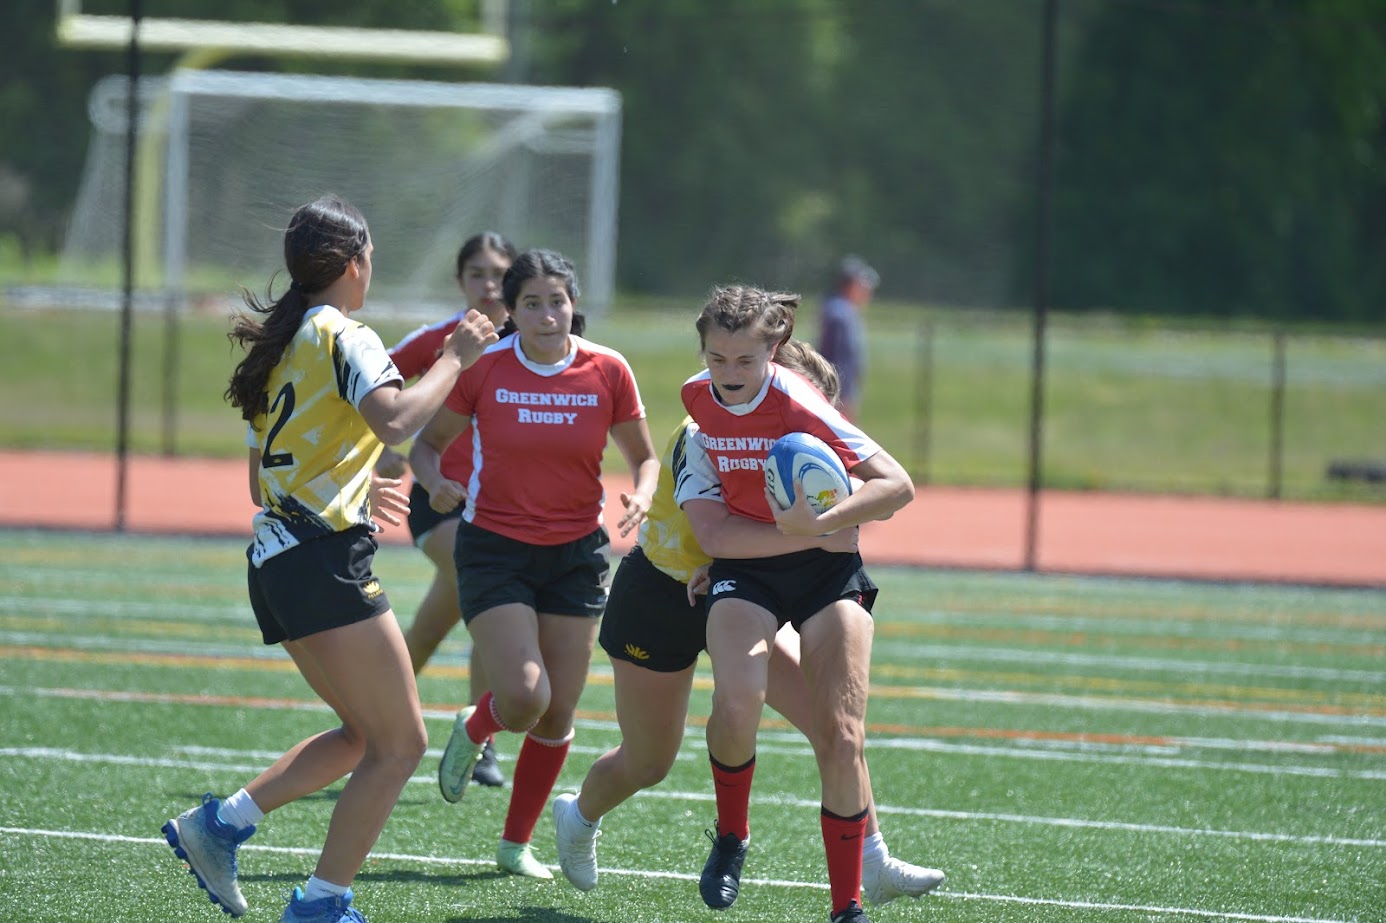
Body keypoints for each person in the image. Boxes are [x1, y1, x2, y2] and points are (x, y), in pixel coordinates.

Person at [161, 194, 497, 923]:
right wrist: (454, 357)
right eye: (369, 256)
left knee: (362, 736)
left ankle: (219, 826)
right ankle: (322, 904)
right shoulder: (345, 333)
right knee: (400, 744)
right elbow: (398, 420)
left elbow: (261, 481)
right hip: (321, 559)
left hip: (276, 560)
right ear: (353, 263)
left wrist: (349, 481)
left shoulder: (279, 343)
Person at [551, 338, 944, 907]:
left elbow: (832, 510)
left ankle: (873, 860)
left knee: (832, 726)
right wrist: (811, 537)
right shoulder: (703, 432)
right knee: (648, 760)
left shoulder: (804, 437)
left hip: (740, 587)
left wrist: (823, 523)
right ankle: (579, 816)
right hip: (663, 592)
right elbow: (717, 531)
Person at [409, 248, 660, 878]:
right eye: (532, 304)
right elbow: (427, 446)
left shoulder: (608, 369)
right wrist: (435, 482)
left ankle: (514, 844)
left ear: (573, 305)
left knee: (558, 711)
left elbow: (646, 458)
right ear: (511, 311)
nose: (547, 315)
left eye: (557, 302)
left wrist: (644, 494)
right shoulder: (486, 367)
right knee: (524, 698)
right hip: (495, 550)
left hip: (577, 555)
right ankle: (477, 726)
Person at [682, 285, 915, 923]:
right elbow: (714, 531)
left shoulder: (799, 402)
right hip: (745, 572)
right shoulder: (695, 398)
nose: (729, 374)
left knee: (842, 734)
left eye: (745, 360)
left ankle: (847, 907)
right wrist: (798, 532)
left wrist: (824, 523)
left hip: (826, 572)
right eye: (716, 358)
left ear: (774, 350)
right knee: (736, 702)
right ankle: (732, 837)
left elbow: (897, 485)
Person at [376, 230, 519, 788]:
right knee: (484, 583)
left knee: (439, 622)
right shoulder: (438, 341)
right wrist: (381, 450)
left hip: (503, 511)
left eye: (499, 274)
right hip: (439, 502)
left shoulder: (530, 345)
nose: (489, 284)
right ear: (460, 280)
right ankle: (477, 740)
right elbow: (362, 389)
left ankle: (373, 715)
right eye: (477, 273)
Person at [816, 255, 878, 421]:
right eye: (861, 284)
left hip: (837, 392)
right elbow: (840, 359)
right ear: (850, 285)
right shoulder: (839, 314)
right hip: (836, 394)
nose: (867, 290)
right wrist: (844, 397)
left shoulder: (843, 310)